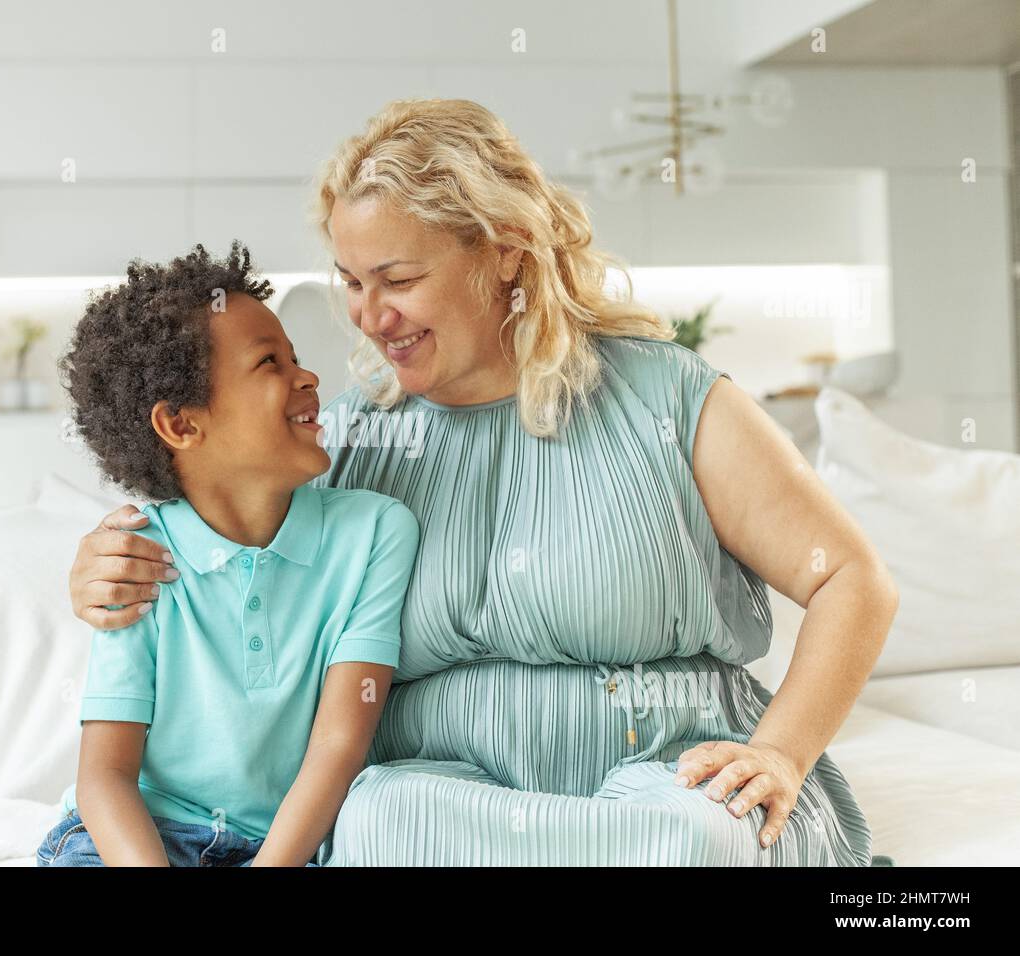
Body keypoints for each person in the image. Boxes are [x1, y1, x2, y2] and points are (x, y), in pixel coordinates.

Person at [65, 99, 898, 865]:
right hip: (441, 793)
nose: (366, 314)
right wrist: (101, 565)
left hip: (667, 773)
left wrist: (782, 751)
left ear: (503, 252)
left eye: (397, 279)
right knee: (380, 820)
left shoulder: (667, 397)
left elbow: (852, 579)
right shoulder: (344, 439)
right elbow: (220, 538)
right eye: (352, 283)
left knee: (690, 837)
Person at [36, 242, 420, 867]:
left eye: (294, 356)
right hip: (145, 841)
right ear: (182, 425)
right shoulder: (140, 560)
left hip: (284, 848)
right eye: (270, 362)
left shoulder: (375, 534)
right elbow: (105, 777)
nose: (308, 376)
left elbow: (338, 743)